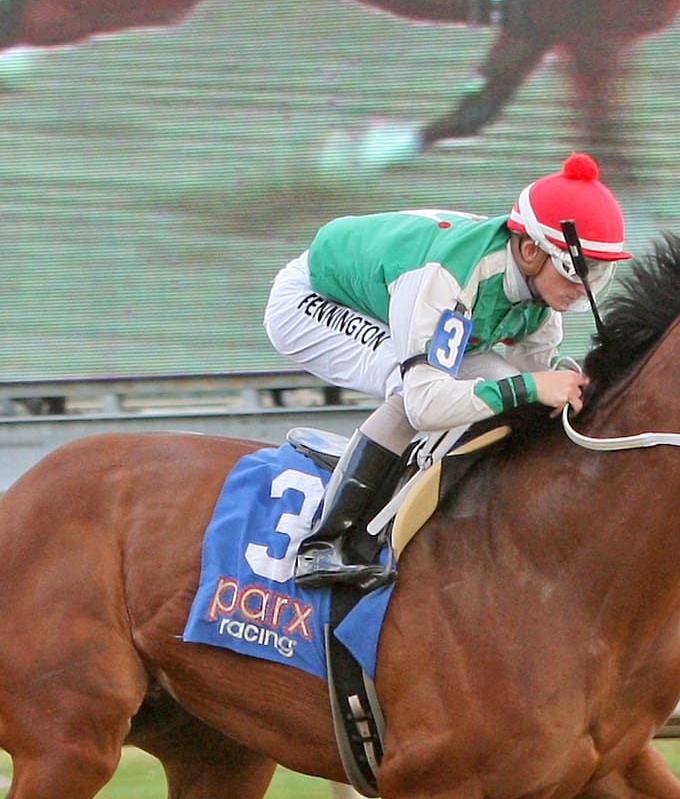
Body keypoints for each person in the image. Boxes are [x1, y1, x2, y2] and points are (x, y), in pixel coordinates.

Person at [264, 151, 631, 589]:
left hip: (400, 297)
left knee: (504, 390)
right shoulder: (453, 278)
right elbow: (425, 406)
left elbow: (528, 394)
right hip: (314, 301)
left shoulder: (542, 300)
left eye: (598, 272)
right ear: (531, 250)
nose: (581, 289)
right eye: (577, 270)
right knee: (410, 391)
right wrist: (530, 386)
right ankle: (323, 546)